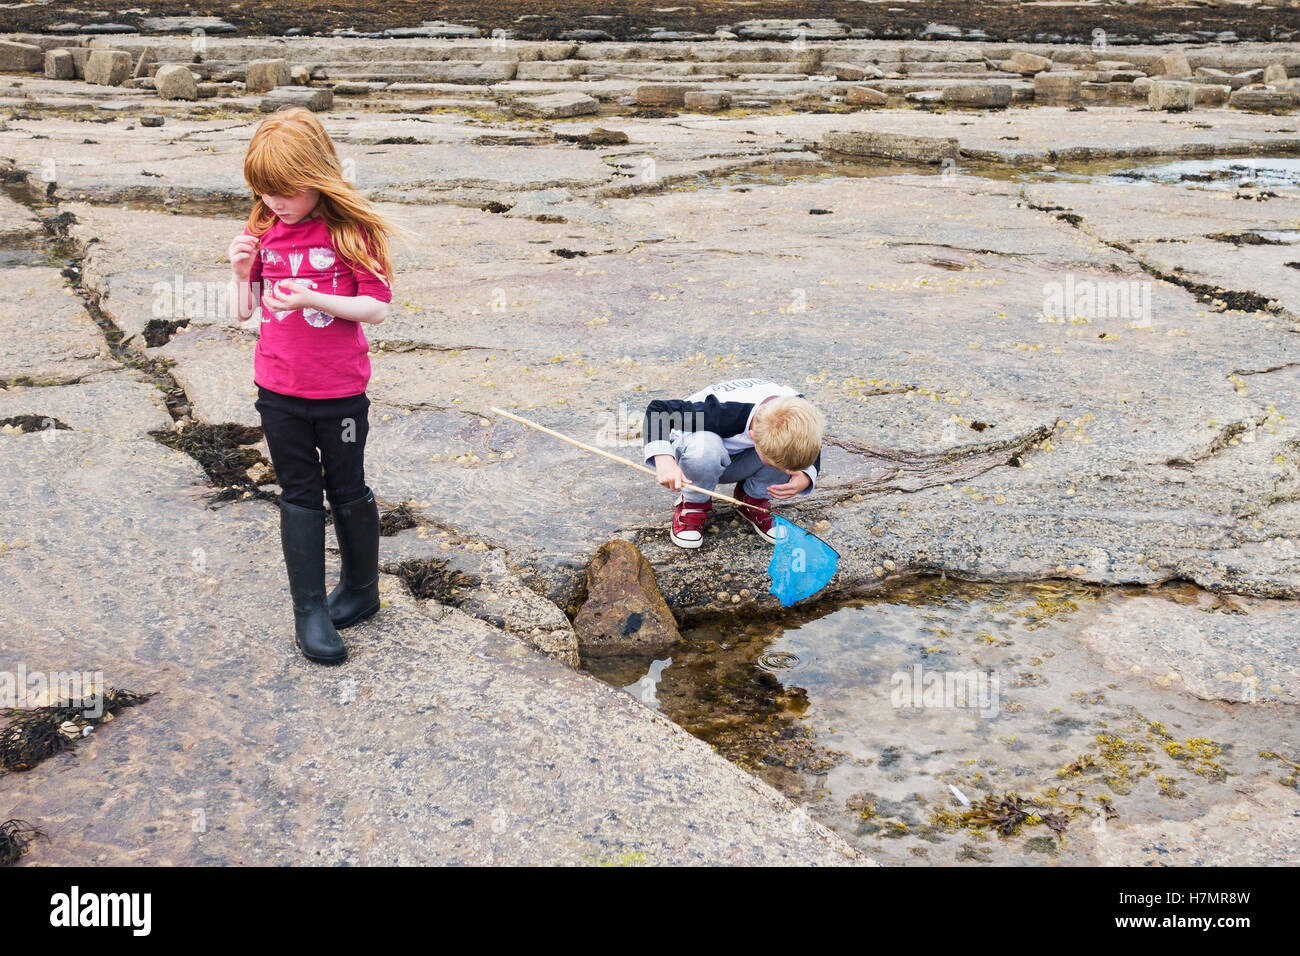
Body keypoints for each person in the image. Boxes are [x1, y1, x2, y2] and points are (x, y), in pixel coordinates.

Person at [227, 107, 395, 664]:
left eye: (287, 193)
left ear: (318, 176)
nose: (276, 203)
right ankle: (309, 610)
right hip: (277, 389)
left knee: (348, 487)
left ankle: (361, 591)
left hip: (340, 393)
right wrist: (238, 272)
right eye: (265, 191)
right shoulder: (261, 230)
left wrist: (311, 297)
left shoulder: (351, 231)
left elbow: (375, 308)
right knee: (299, 492)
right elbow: (240, 313)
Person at [641, 379, 825, 549]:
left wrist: (805, 474)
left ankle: (752, 499)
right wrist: (664, 458)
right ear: (753, 437)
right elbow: (658, 410)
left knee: (786, 457)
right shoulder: (721, 412)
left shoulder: (802, 410)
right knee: (706, 448)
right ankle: (693, 503)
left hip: (737, 454)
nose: (784, 472)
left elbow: (811, 440)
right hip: (699, 454)